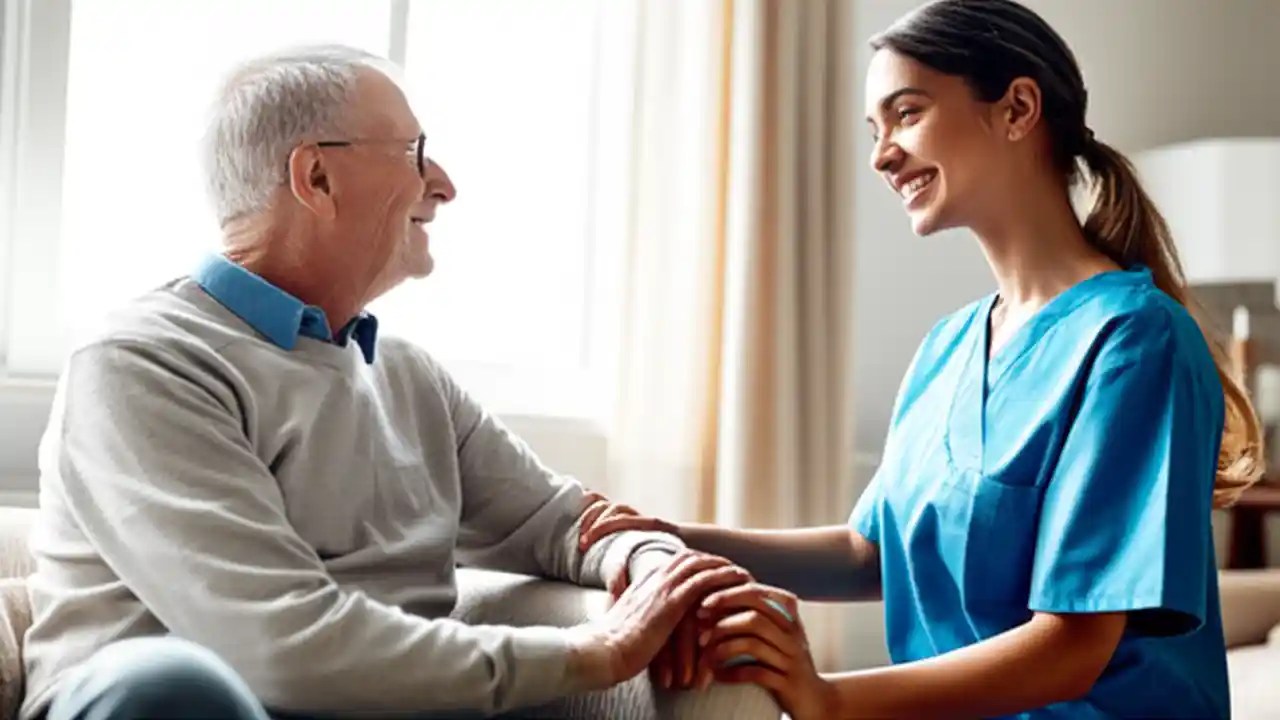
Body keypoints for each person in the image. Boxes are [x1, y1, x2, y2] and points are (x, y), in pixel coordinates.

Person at [20, 45, 755, 720]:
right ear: (316, 177)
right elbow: (279, 646)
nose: (444, 185)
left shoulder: (409, 376)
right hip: (167, 705)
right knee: (169, 683)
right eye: (415, 152)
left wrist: (658, 569)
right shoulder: (142, 363)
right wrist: (587, 655)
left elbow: (562, 522)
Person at [578, 1, 1265, 717]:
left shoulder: (1134, 341)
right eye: (874, 132)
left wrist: (828, 699)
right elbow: (868, 553)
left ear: (1017, 108)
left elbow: (1073, 647)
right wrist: (675, 538)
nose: (881, 155)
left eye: (906, 114)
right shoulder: (949, 346)